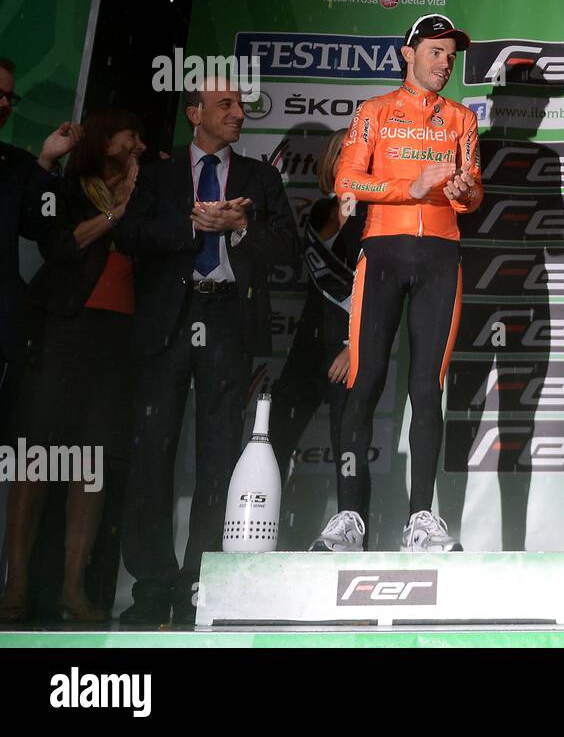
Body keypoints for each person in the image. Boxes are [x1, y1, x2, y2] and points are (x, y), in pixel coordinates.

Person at [116, 78, 298, 624]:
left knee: (219, 455)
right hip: (166, 322)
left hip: (227, 320)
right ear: (195, 113)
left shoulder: (260, 178)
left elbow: (287, 247)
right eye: (226, 105)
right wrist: (190, 226)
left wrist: (241, 226)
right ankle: (151, 582)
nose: (239, 113)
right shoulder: (159, 175)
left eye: (241, 105)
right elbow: (129, 237)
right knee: (152, 452)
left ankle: (200, 578)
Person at [319, 13, 482, 553]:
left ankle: (420, 520)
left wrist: (460, 188)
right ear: (407, 54)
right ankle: (349, 517)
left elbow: (473, 195)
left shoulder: (461, 118)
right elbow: (346, 182)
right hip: (383, 251)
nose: (445, 62)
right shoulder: (375, 112)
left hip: (441, 255)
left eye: (450, 55)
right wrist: (409, 187)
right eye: (435, 52)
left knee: (426, 387)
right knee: (363, 382)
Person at [0, 111, 145, 623]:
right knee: (36, 461)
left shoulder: (147, 191)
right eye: (130, 136)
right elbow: (58, 245)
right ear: (106, 141)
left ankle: (72, 588)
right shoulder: (67, 190)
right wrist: (116, 212)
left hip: (117, 340)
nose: (138, 145)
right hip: (62, 328)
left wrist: (137, 200)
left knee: (92, 465)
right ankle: (15, 586)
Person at [267, 129, 368, 538]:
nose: (349, 159)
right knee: (275, 436)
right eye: (342, 152)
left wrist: (353, 346)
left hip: (351, 347)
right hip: (307, 344)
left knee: (349, 448)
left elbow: (376, 287)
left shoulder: (376, 213)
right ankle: (265, 529)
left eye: (358, 153)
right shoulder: (319, 211)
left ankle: (354, 537)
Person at [0, 57, 82, 417]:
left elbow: (38, 224)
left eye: (9, 97)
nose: (4, 104)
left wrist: (47, 164)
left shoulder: (18, 164)